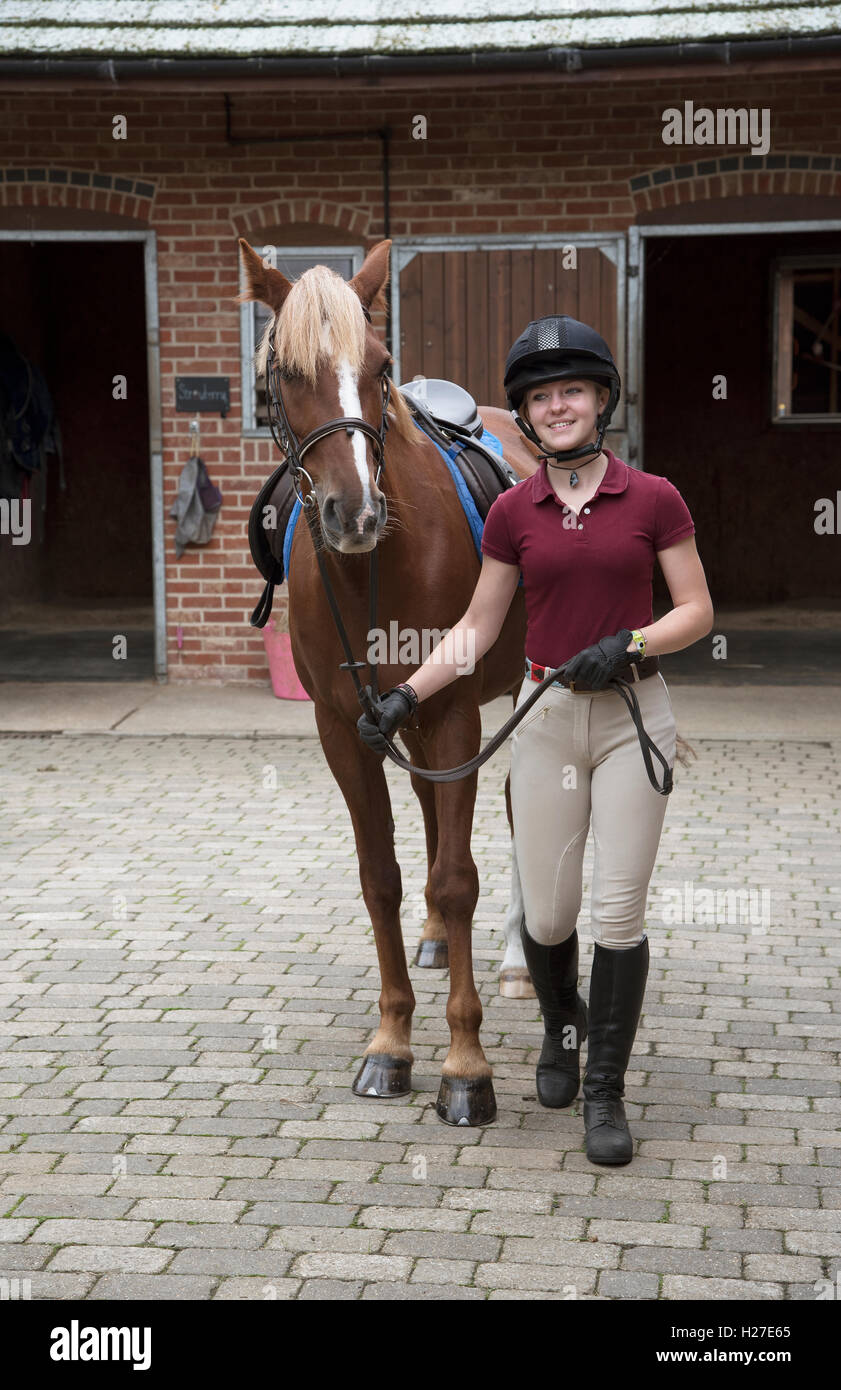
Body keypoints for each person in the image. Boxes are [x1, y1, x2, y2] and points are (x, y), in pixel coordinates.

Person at [357, 316, 713, 1166]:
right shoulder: (514, 510)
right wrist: (405, 691)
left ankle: (603, 1094)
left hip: (632, 716)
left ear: (599, 401)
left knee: (617, 914)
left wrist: (628, 643)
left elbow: (696, 612)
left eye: (573, 392)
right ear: (526, 411)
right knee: (548, 914)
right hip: (547, 719)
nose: (558, 407)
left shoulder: (654, 497)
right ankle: (560, 1024)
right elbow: (478, 627)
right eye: (541, 397)